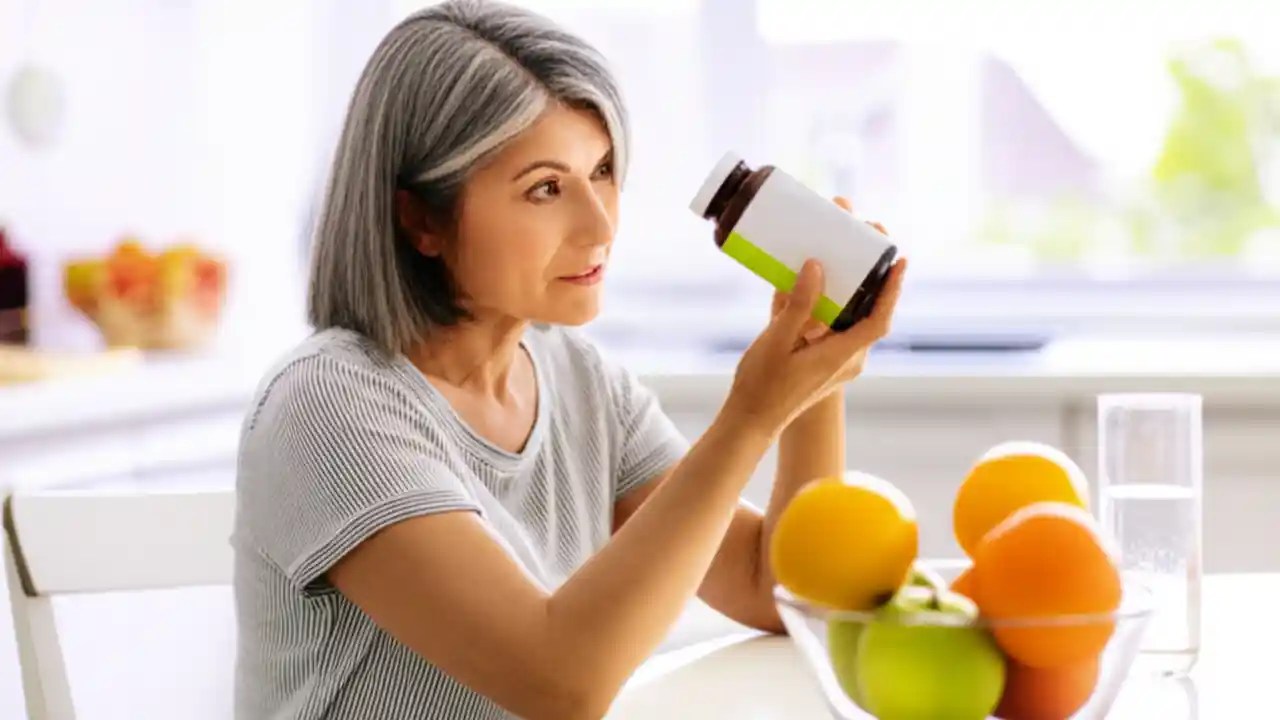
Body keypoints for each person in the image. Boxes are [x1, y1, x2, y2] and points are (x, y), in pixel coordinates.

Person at [231, 1, 907, 719]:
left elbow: (774, 586)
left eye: (603, 170)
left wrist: (812, 372)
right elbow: (558, 684)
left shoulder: (579, 380)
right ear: (422, 219)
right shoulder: (329, 407)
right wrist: (750, 417)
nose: (600, 222)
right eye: (545, 188)